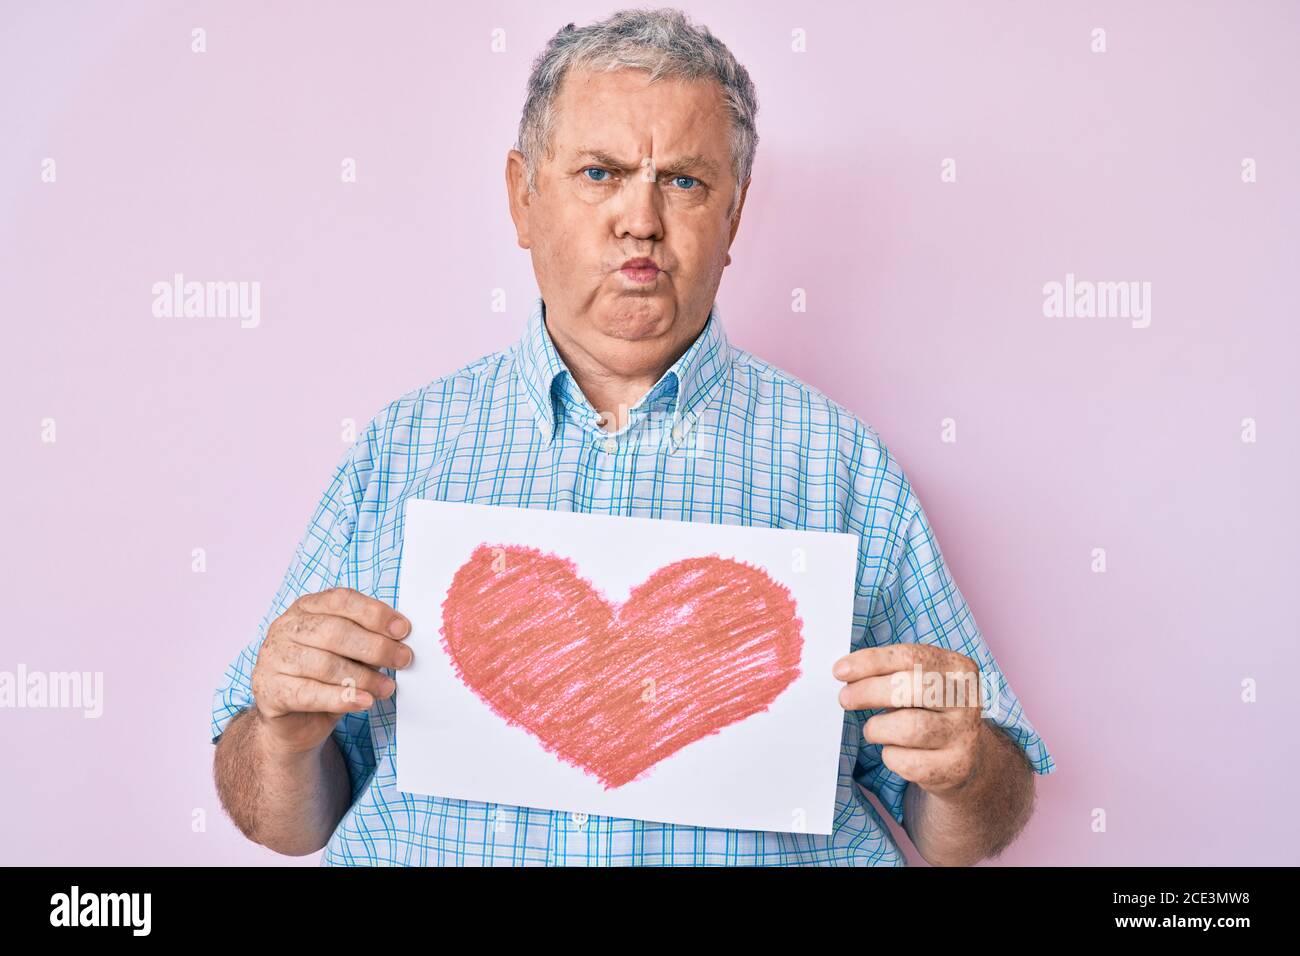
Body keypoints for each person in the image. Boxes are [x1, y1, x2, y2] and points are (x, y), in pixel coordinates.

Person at [211, 7, 1054, 866]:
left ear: (734, 215)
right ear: (522, 196)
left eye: (684, 181)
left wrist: (967, 769)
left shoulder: (842, 468)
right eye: (600, 172)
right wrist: (279, 733)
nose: (640, 219)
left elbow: (967, 826)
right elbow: (286, 822)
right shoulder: (400, 449)